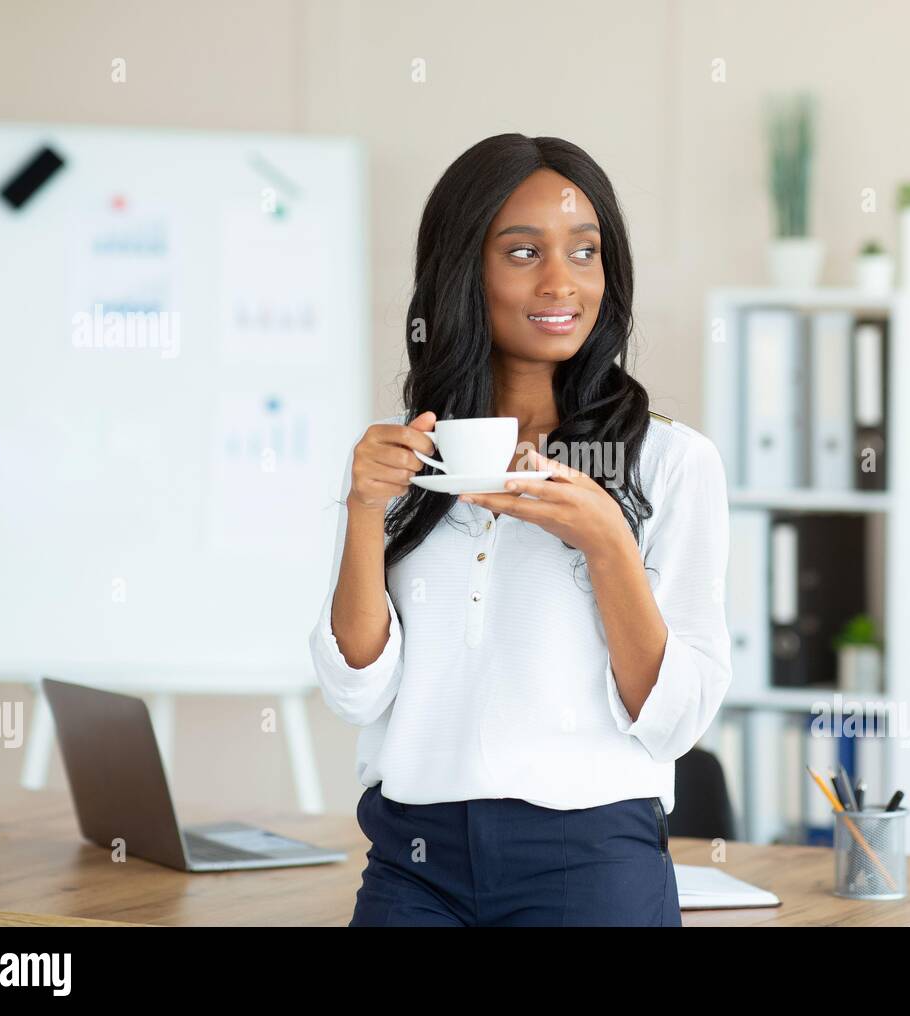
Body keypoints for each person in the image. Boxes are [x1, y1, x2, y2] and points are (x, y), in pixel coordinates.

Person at [309, 133, 731, 927]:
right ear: (464, 270)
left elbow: (676, 721)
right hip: (413, 860)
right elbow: (356, 690)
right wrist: (365, 512)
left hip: (590, 860)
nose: (560, 282)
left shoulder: (672, 463)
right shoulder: (399, 460)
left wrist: (608, 545)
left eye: (584, 252)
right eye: (524, 251)